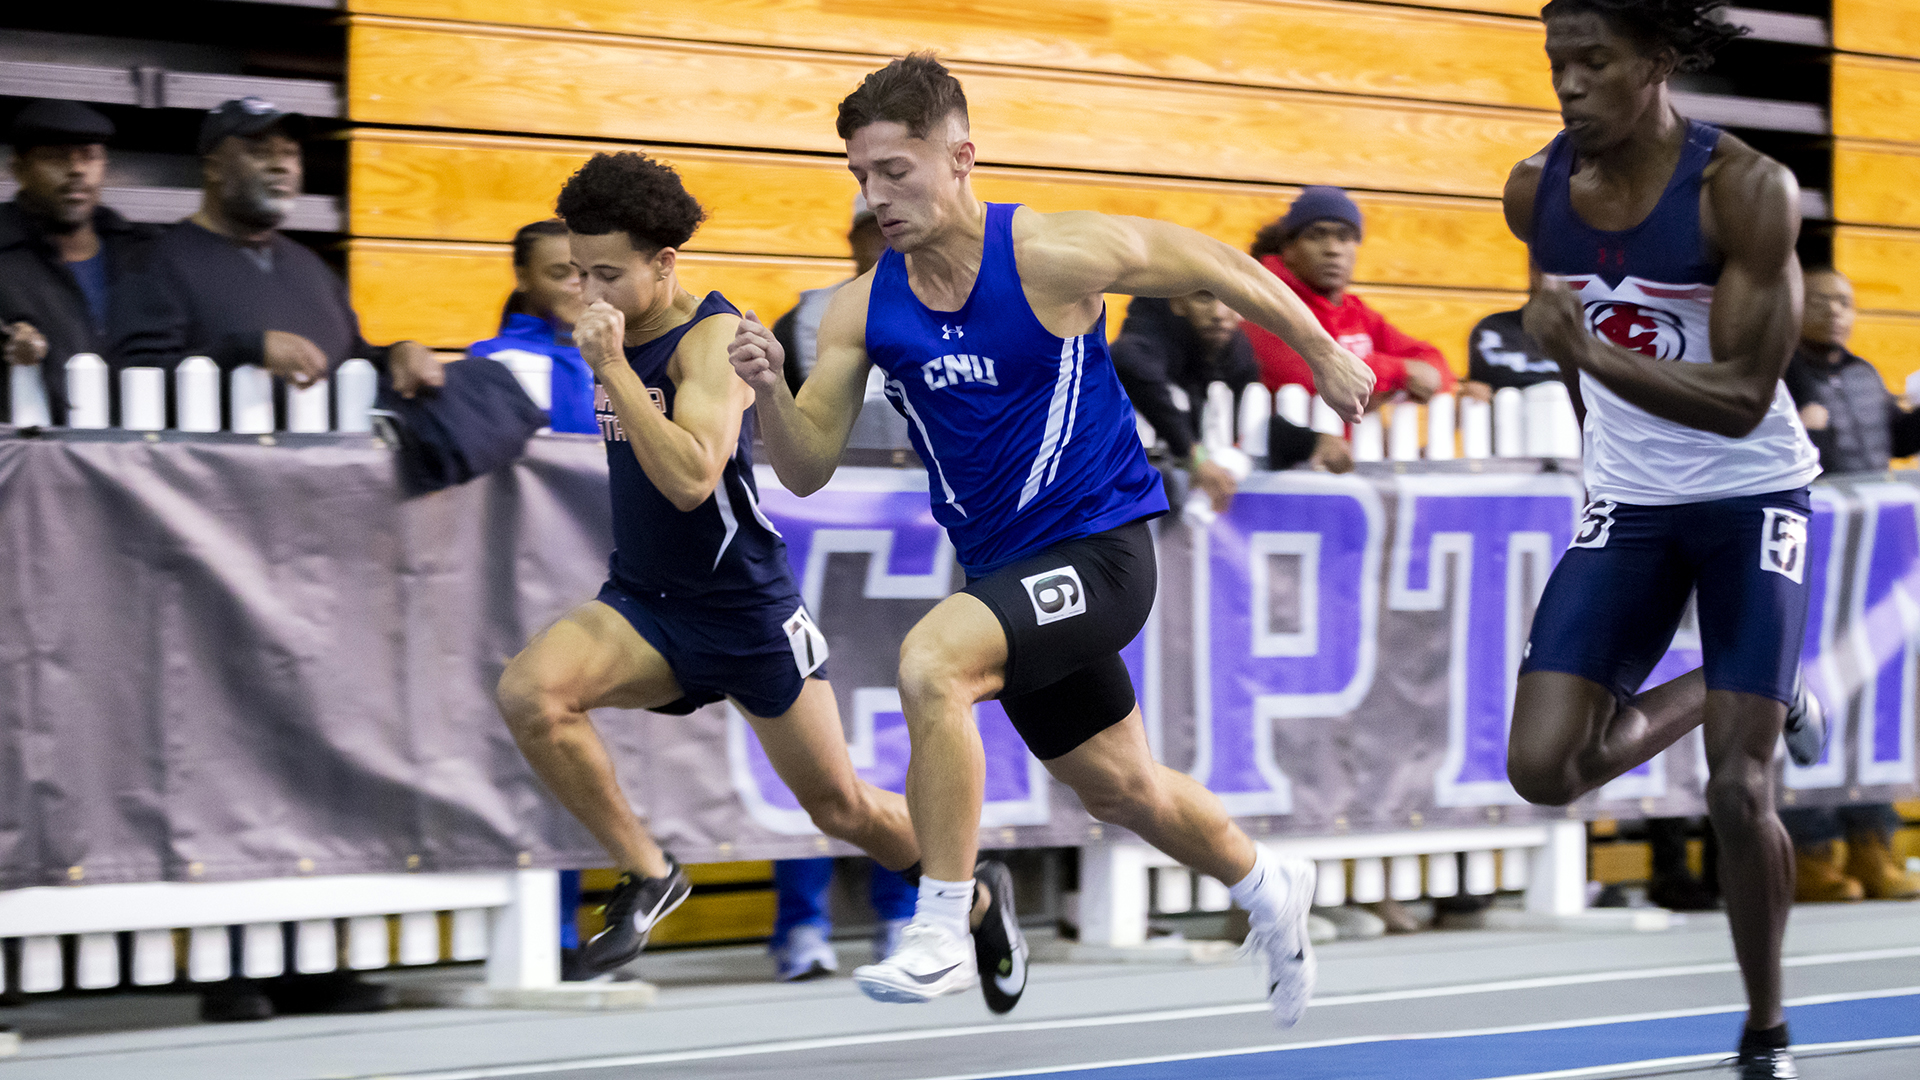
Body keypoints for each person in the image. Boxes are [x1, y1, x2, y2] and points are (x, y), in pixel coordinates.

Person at [728, 53, 1373, 1025]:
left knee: (933, 663)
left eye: (896, 171)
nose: (877, 195)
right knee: (1122, 789)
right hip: (1005, 572)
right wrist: (772, 387)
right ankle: (1265, 881)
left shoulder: (1051, 253)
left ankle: (943, 920)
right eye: (860, 176)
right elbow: (807, 465)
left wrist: (1321, 349)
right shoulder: (866, 304)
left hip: (1103, 551)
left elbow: (1221, 265)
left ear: (961, 158)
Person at [492, 151, 1024, 996]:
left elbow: (692, 476)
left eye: (607, 274)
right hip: (646, 602)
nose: (588, 295)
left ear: (664, 264)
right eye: (576, 274)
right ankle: (647, 872)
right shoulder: (611, 328)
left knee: (840, 807)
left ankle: (973, 894)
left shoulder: (714, 339)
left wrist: (617, 371)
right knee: (532, 694)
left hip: (746, 610)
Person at [1499, 3, 1830, 1076]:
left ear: (1656, 60)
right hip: (1633, 508)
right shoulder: (1535, 191)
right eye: (1558, 62)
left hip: (1752, 497)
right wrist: (1605, 445)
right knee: (1545, 769)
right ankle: (1767, 683)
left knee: (1739, 790)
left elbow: (1740, 400)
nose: (1570, 84)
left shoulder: (1745, 191)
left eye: (1595, 61)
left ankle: (1765, 1033)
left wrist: (1588, 350)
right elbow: (1566, 350)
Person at [765, 197, 918, 982]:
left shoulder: (953, 315)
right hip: (819, 556)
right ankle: (802, 925)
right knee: (817, 753)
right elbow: (778, 437)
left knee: (897, 740)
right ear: (854, 234)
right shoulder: (810, 316)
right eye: (871, 225)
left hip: (916, 565)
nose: (887, 236)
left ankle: (901, 916)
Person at [115, 97, 444, 423]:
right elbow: (132, 383)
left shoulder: (311, 267)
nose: (281, 165)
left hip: (327, 471)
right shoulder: (158, 262)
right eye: (259, 152)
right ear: (213, 167)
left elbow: (353, 361)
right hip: (216, 472)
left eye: (290, 153)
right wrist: (246, 350)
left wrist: (397, 354)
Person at [1775, 265, 1920, 904]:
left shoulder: (1864, 377)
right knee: (1812, 706)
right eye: (1825, 299)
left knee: (1877, 709)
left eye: (1848, 301)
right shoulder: (1776, 371)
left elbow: (1895, 445)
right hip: (1809, 563)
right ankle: (1812, 852)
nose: (1838, 311)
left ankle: (1875, 847)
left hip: (1873, 568)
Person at [1111, 292, 1352, 515]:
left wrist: (1313, 441)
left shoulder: (1236, 352)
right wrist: (1194, 454)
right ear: (1178, 303)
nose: (1218, 314)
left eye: (1229, 299)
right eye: (1204, 298)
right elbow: (1129, 361)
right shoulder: (1151, 328)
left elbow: (1250, 428)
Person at [1, 100, 154, 425]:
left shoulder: (144, 251)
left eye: (89, 156)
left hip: (134, 460)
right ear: (19, 169)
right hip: (28, 463)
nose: (77, 170)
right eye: (56, 156)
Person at [1242, 187, 1453, 404]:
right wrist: (1400, 372)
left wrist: (1422, 374)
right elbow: (1306, 376)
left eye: (1344, 237)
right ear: (1289, 250)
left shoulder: (1354, 311)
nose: (1332, 249)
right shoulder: (1264, 304)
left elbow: (1434, 362)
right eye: (1316, 236)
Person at [468, 218, 596, 434]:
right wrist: (569, 337)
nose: (578, 283)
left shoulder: (622, 358)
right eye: (559, 273)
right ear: (522, 276)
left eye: (587, 273)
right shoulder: (491, 357)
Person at [1460, 265, 1562, 402]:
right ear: (1532, 271)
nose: (1552, 277)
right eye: (1545, 266)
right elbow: (1477, 392)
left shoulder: (1594, 333)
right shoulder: (1494, 329)